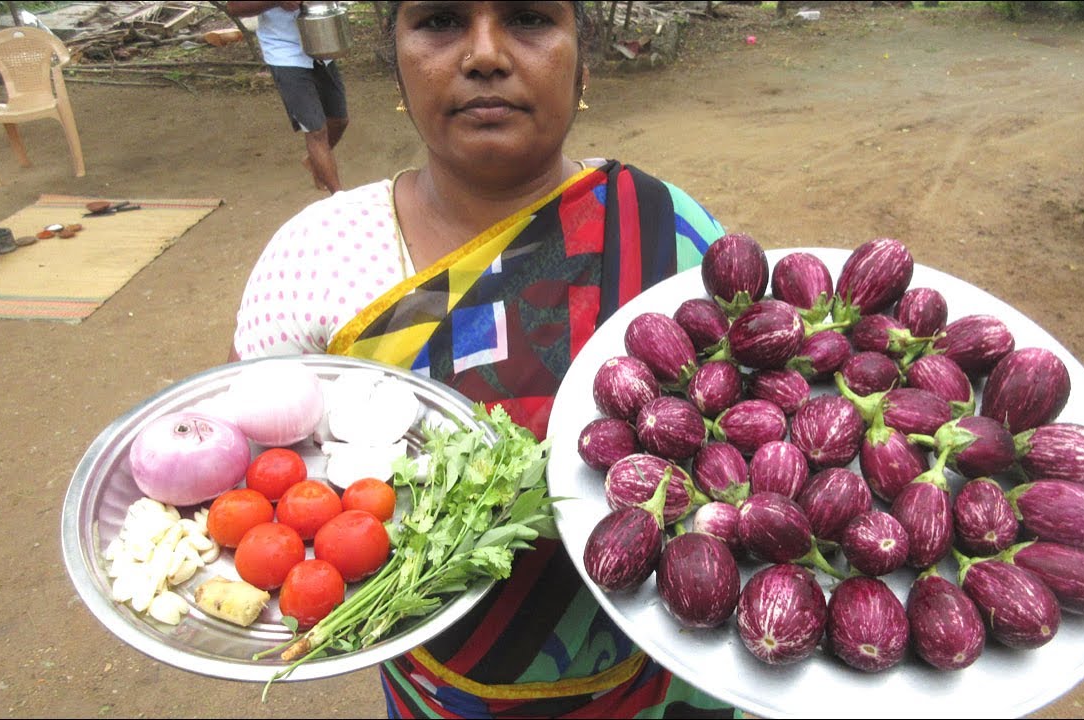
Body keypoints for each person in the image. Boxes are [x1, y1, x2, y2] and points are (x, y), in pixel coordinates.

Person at [229, 3, 739, 717]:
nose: (485, 55)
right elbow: (249, 471)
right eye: (440, 22)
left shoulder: (666, 230)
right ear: (398, 66)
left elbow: (753, 438)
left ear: (581, 60)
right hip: (437, 693)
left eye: (528, 18)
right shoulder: (318, 255)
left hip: (662, 686)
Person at [226, 0, 349, 194]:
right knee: (316, 131)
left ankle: (314, 161)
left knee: (339, 120)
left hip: (321, 40)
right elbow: (234, 7)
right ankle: (339, 198)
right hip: (284, 52)